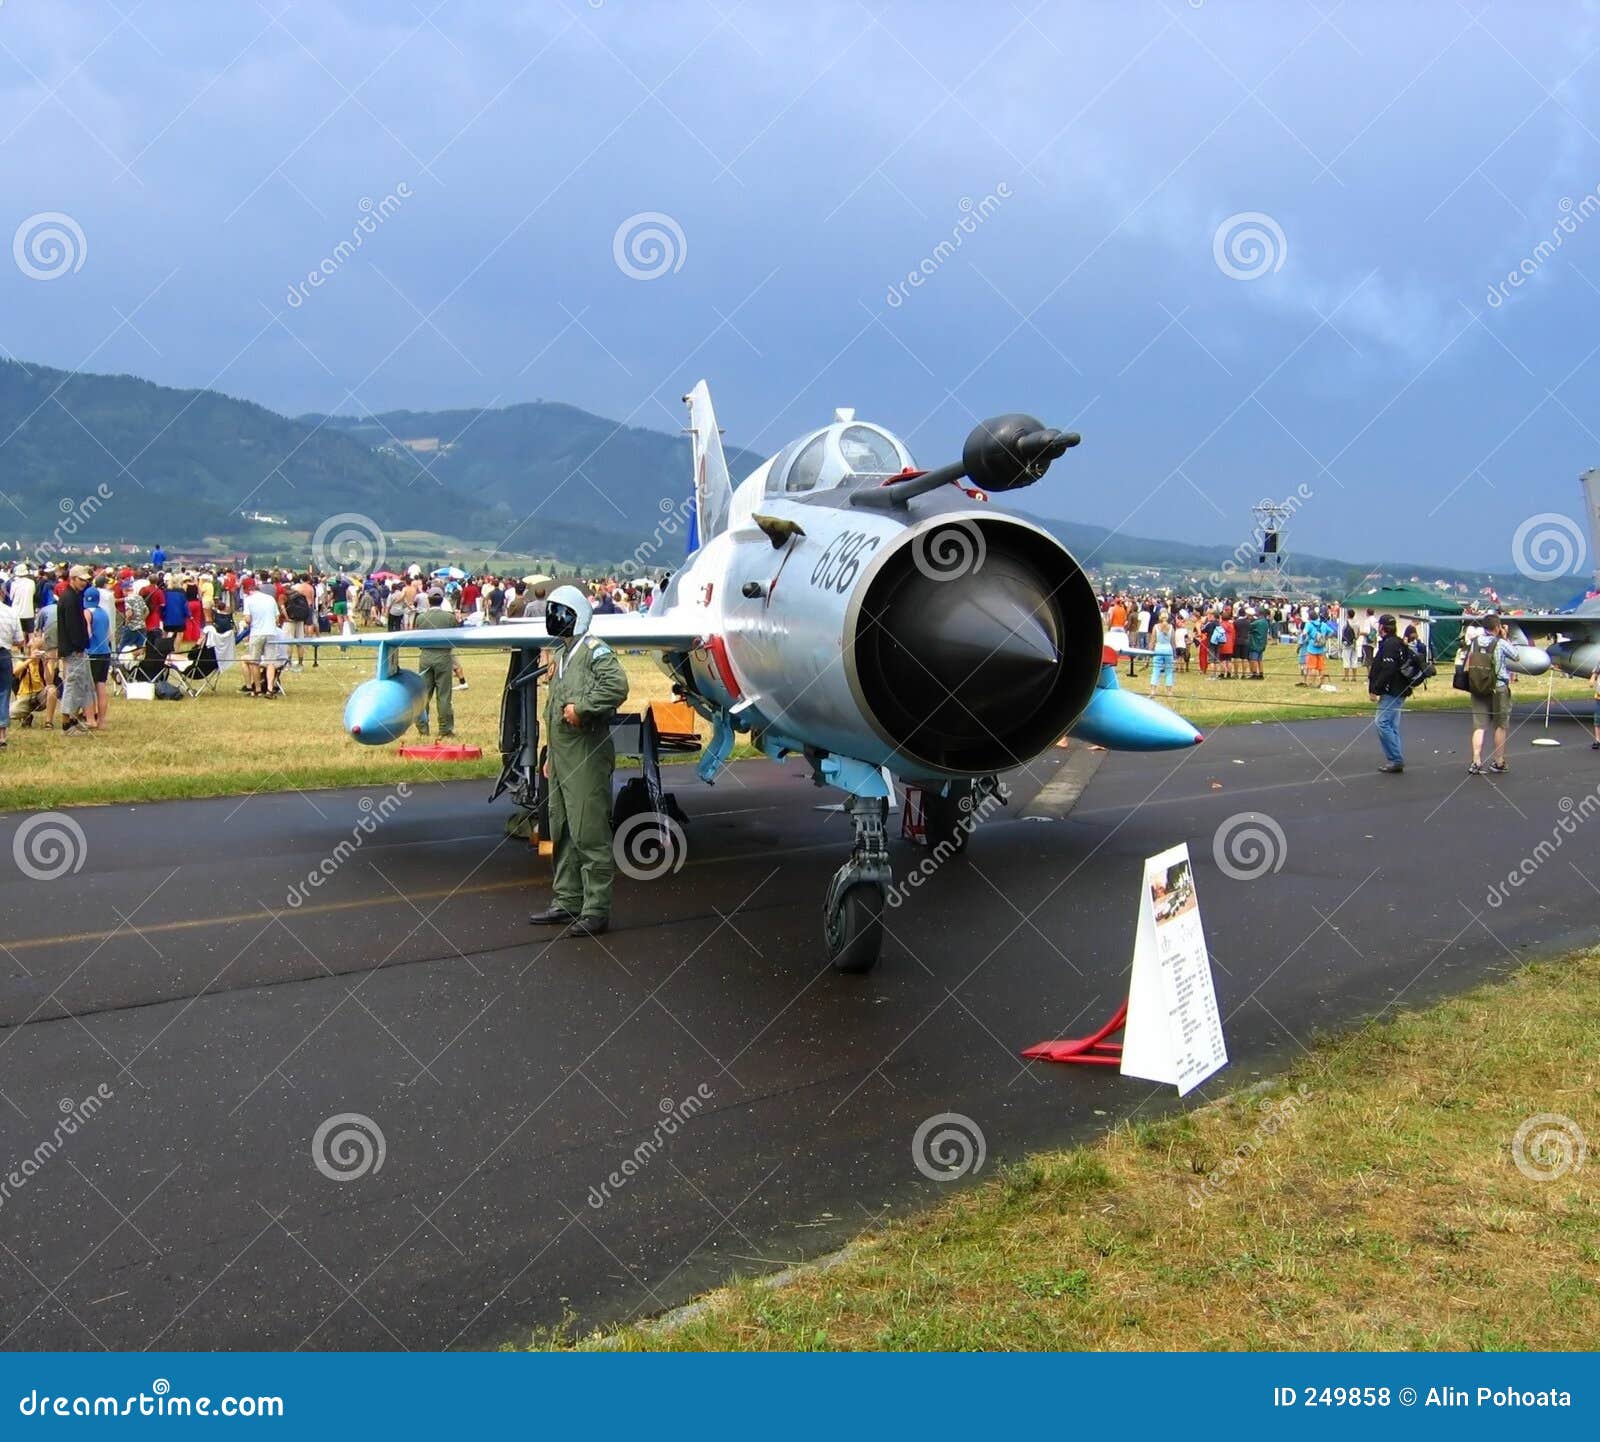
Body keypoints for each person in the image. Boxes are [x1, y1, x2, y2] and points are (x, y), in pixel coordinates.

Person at [528, 585, 629, 938]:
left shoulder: (594, 651)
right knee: (563, 829)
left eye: (561, 612)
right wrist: (551, 754)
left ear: (578, 616)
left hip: (586, 752)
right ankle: (567, 900)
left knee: (589, 831)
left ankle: (596, 910)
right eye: (552, 611)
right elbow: (554, 706)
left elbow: (617, 687)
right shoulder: (562, 653)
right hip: (562, 756)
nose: (553, 618)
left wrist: (582, 709)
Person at [1465, 614, 1516, 775]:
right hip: (1498, 687)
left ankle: (1476, 761)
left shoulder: (1474, 642)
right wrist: (1505, 637)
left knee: (1479, 726)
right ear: (1497, 627)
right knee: (1500, 725)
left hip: (1478, 686)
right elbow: (1516, 656)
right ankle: (1499, 761)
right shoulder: (1500, 643)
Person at [411, 589, 457, 740]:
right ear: (442, 600)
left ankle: (422, 728)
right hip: (444, 657)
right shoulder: (450, 618)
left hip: (426, 656)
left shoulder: (420, 618)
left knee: (423, 694)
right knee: (444, 695)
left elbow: (417, 638)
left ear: (428, 600)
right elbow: (455, 637)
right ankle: (445, 729)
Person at [1367, 613, 1410, 774]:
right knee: (1391, 724)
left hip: (1392, 690)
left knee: (1382, 723)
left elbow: (1388, 669)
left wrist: (1376, 688)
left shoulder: (1390, 645)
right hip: (1400, 688)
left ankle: (1395, 758)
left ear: (1382, 627)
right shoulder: (1398, 643)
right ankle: (1396, 757)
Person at [57, 565, 97, 735]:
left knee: (83, 685)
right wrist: (79, 646)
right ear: (72, 579)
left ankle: (74, 719)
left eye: (86, 580)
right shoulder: (69, 599)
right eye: (81, 580)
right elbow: (73, 627)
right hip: (73, 649)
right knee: (73, 685)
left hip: (76, 648)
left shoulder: (74, 596)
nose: (84, 583)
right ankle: (67, 725)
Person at [241, 578, 284, 697]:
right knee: (270, 662)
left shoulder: (249, 600)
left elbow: (247, 619)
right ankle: (270, 689)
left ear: (247, 589)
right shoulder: (270, 598)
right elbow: (277, 618)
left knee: (254, 662)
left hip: (257, 633)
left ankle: (258, 689)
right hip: (271, 632)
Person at [83, 585, 113, 729]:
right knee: (101, 686)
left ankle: (90, 719)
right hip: (105, 652)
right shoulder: (104, 612)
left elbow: (87, 634)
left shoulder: (87, 612)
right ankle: (102, 721)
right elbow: (109, 634)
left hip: (91, 652)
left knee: (88, 687)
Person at [0, 584, 20, 747]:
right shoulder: (11, 612)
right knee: (3, 693)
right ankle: (1, 736)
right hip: (4, 654)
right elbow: (19, 640)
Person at [1149, 610, 1175, 696]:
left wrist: (1150, 651)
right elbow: (1173, 642)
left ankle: (1153, 690)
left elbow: (1152, 641)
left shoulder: (1156, 627)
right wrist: (1174, 653)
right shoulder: (1171, 627)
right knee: (1169, 671)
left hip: (1158, 649)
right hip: (1168, 649)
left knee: (1156, 670)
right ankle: (1169, 691)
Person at [1340, 609, 1360, 681]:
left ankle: (1346, 677)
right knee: (1354, 660)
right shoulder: (1357, 623)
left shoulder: (1346, 623)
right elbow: (1358, 633)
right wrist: (1355, 639)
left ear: (1348, 615)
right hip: (1354, 643)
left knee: (1346, 659)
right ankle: (1354, 677)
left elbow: (1343, 633)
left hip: (1347, 643)